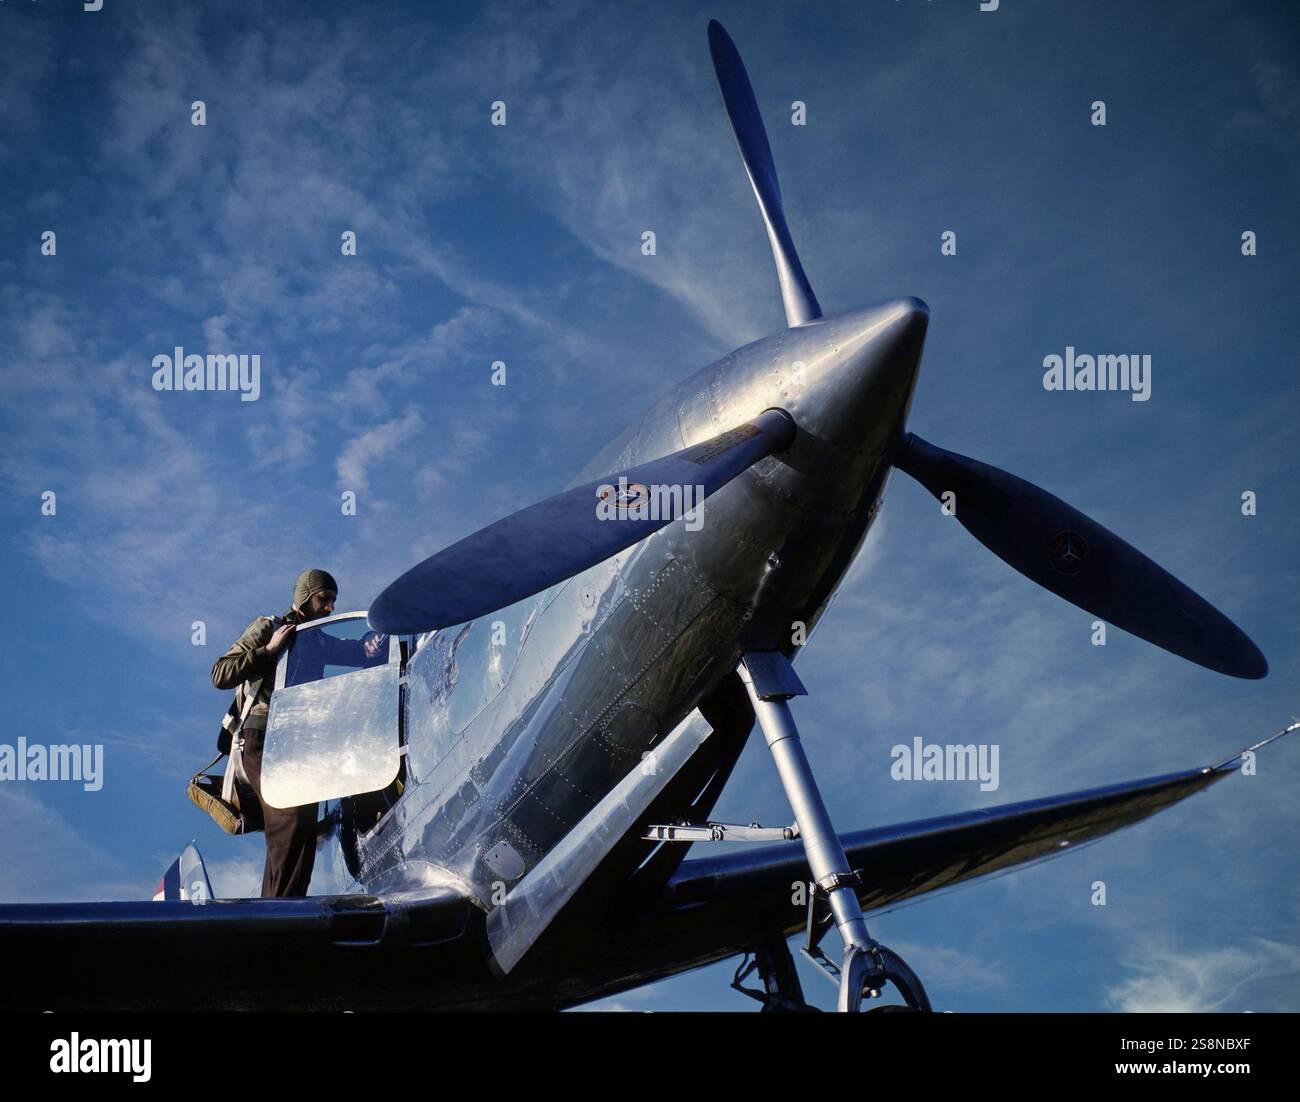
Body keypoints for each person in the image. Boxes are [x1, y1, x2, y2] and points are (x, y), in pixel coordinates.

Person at [211, 568, 386, 897]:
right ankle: (277, 911)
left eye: (333, 601)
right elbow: (220, 673)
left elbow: (355, 652)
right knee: (287, 816)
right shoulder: (269, 626)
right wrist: (268, 651)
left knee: (303, 824)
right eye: (324, 599)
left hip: (298, 742)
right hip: (261, 738)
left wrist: (374, 644)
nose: (330, 608)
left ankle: (283, 907)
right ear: (306, 596)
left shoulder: (317, 638)